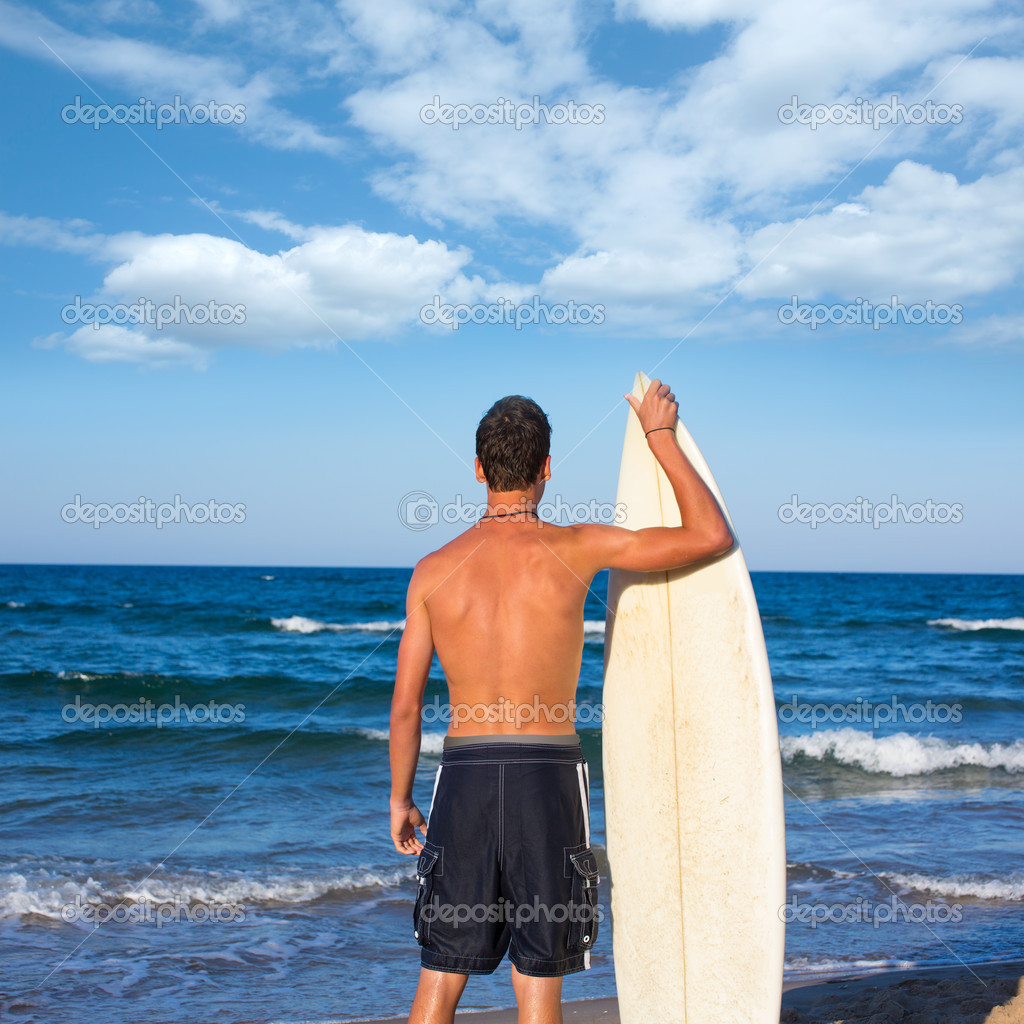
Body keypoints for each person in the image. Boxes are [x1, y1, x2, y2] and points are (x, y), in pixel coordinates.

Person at [389, 379, 734, 1024]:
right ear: (547, 467)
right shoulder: (578, 548)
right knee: (539, 977)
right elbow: (710, 534)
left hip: (462, 776)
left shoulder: (433, 569)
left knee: (442, 967)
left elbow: (406, 706)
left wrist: (400, 799)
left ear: (477, 469)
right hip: (546, 777)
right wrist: (660, 436)